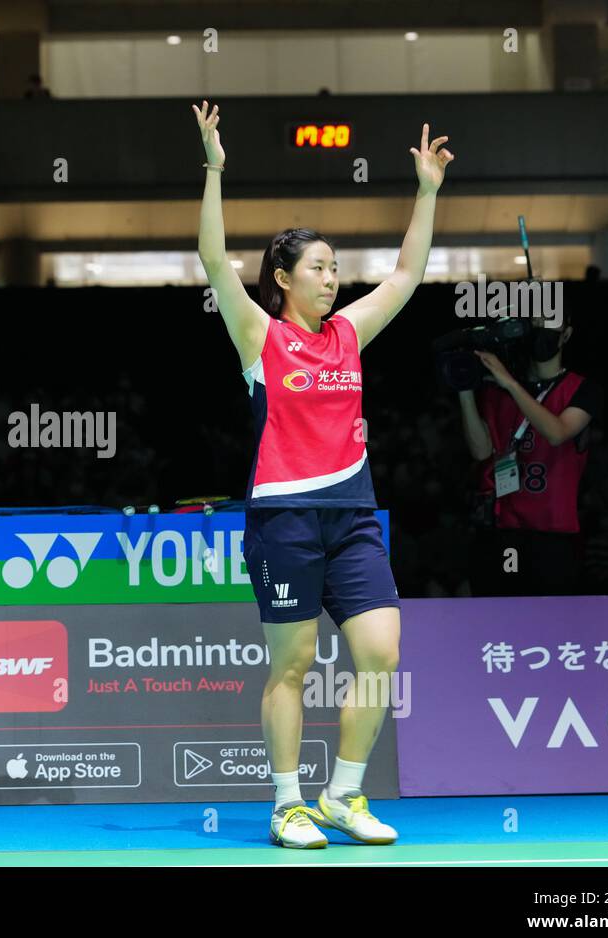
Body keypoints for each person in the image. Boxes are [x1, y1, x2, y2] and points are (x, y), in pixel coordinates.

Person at [193, 100, 453, 849]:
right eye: (319, 268)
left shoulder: (350, 335)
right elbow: (213, 260)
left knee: (379, 653)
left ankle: (344, 794)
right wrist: (214, 169)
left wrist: (427, 189)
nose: (333, 279)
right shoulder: (260, 336)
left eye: (337, 268)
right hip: (285, 518)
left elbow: (407, 274)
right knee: (295, 662)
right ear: (284, 278)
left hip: (354, 515)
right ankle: (286, 803)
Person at [459, 312, 601, 596]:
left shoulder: (582, 389)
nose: (541, 329)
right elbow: (481, 450)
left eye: (549, 323)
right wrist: (464, 389)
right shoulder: (497, 389)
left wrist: (510, 383)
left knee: (549, 629)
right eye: (534, 323)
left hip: (552, 535)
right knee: (495, 627)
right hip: (500, 530)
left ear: (566, 334)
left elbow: (557, 432)